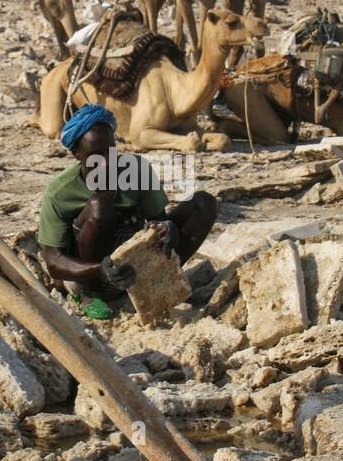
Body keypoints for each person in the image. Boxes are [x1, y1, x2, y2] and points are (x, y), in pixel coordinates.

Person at [37, 104, 216, 319]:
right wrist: (99, 269)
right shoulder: (60, 192)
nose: (106, 162)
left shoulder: (136, 170)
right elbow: (54, 260)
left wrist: (166, 229)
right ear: (77, 154)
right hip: (93, 272)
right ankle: (87, 294)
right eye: (95, 155)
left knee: (203, 204)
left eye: (110, 152)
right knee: (100, 205)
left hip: (136, 266)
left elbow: (158, 219)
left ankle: (158, 282)